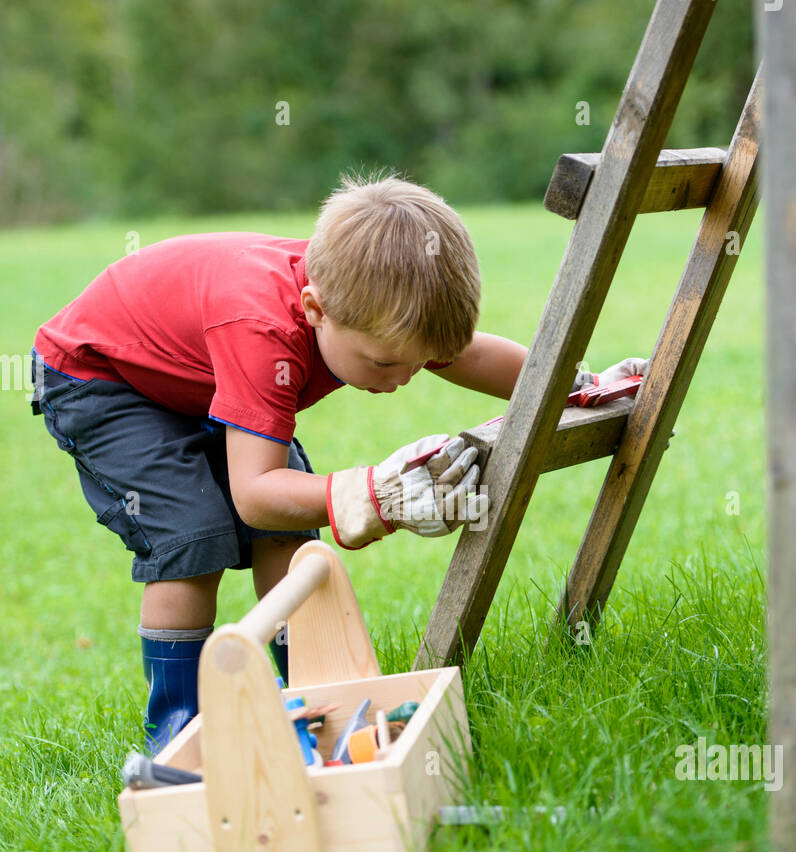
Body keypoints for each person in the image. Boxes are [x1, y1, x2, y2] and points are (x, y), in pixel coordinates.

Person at [30, 171, 647, 753]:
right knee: (194, 536)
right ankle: (185, 732)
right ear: (314, 309)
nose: (406, 378)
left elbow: (468, 355)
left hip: (194, 374)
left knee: (287, 535)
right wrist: (370, 493)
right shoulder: (262, 329)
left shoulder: (372, 303)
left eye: (420, 362)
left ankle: (308, 701)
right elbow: (255, 490)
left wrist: (575, 384)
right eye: (384, 364)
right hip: (102, 378)